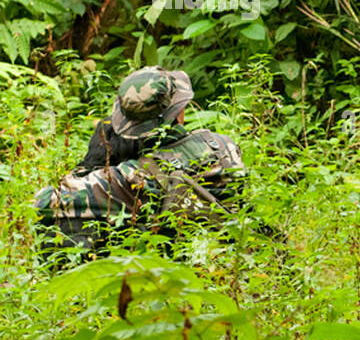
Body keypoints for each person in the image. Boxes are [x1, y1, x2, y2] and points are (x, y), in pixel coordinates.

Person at [34, 67, 245, 254]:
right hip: (227, 260)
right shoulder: (223, 146)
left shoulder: (130, 177)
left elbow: (43, 202)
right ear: (179, 111)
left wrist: (91, 164)